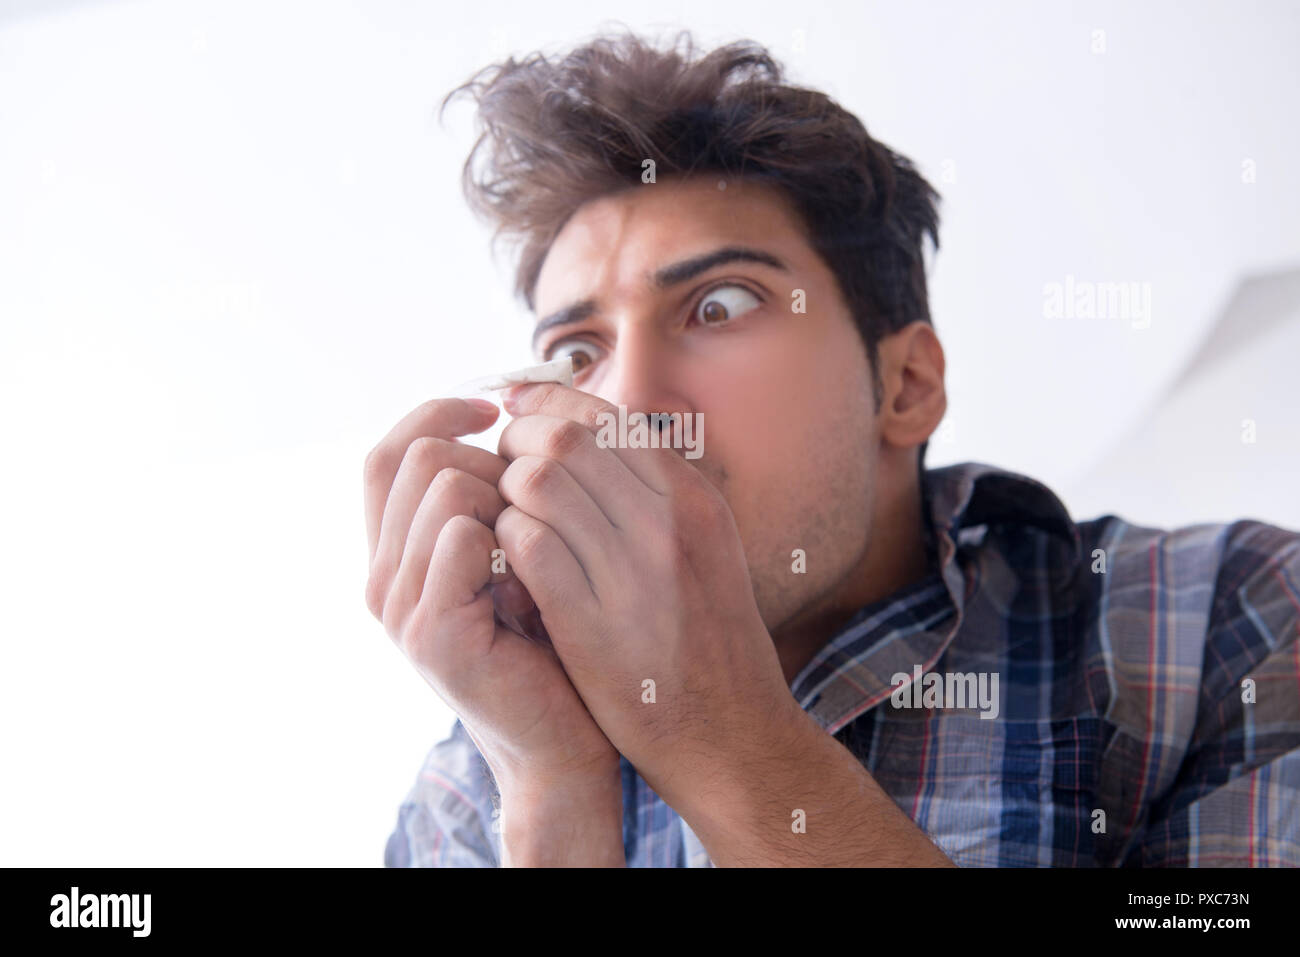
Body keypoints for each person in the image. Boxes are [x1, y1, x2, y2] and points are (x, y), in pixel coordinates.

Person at [365, 29, 1300, 866]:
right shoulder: (472, 784)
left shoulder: (1231, 615)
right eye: (577, 351)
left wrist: (718, 735)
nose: (629, 403)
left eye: (719, 304)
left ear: (906, 386)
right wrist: (550, 791)